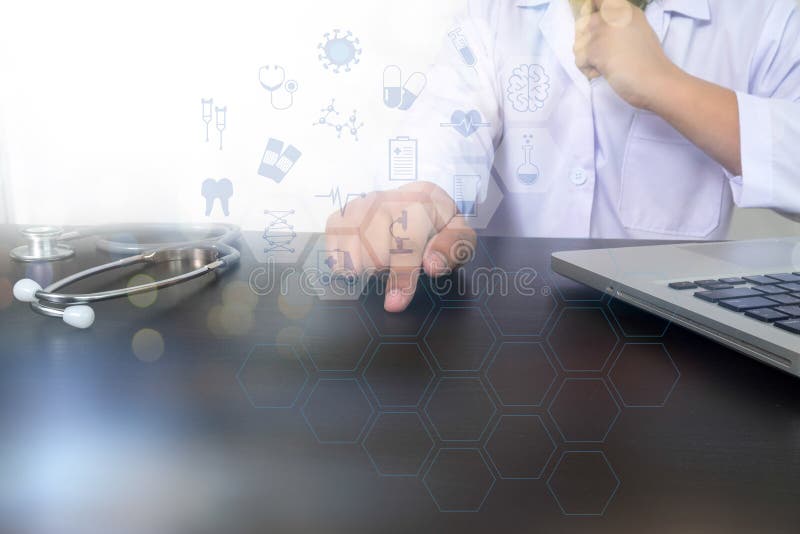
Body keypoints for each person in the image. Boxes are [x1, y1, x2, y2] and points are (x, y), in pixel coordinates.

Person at [325, 0, 800, 312]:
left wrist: (665, 86)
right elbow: (448, 116)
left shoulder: (766, 16)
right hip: (511, 339)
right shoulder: (494, 12)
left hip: (676, 346)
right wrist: (424, 193)